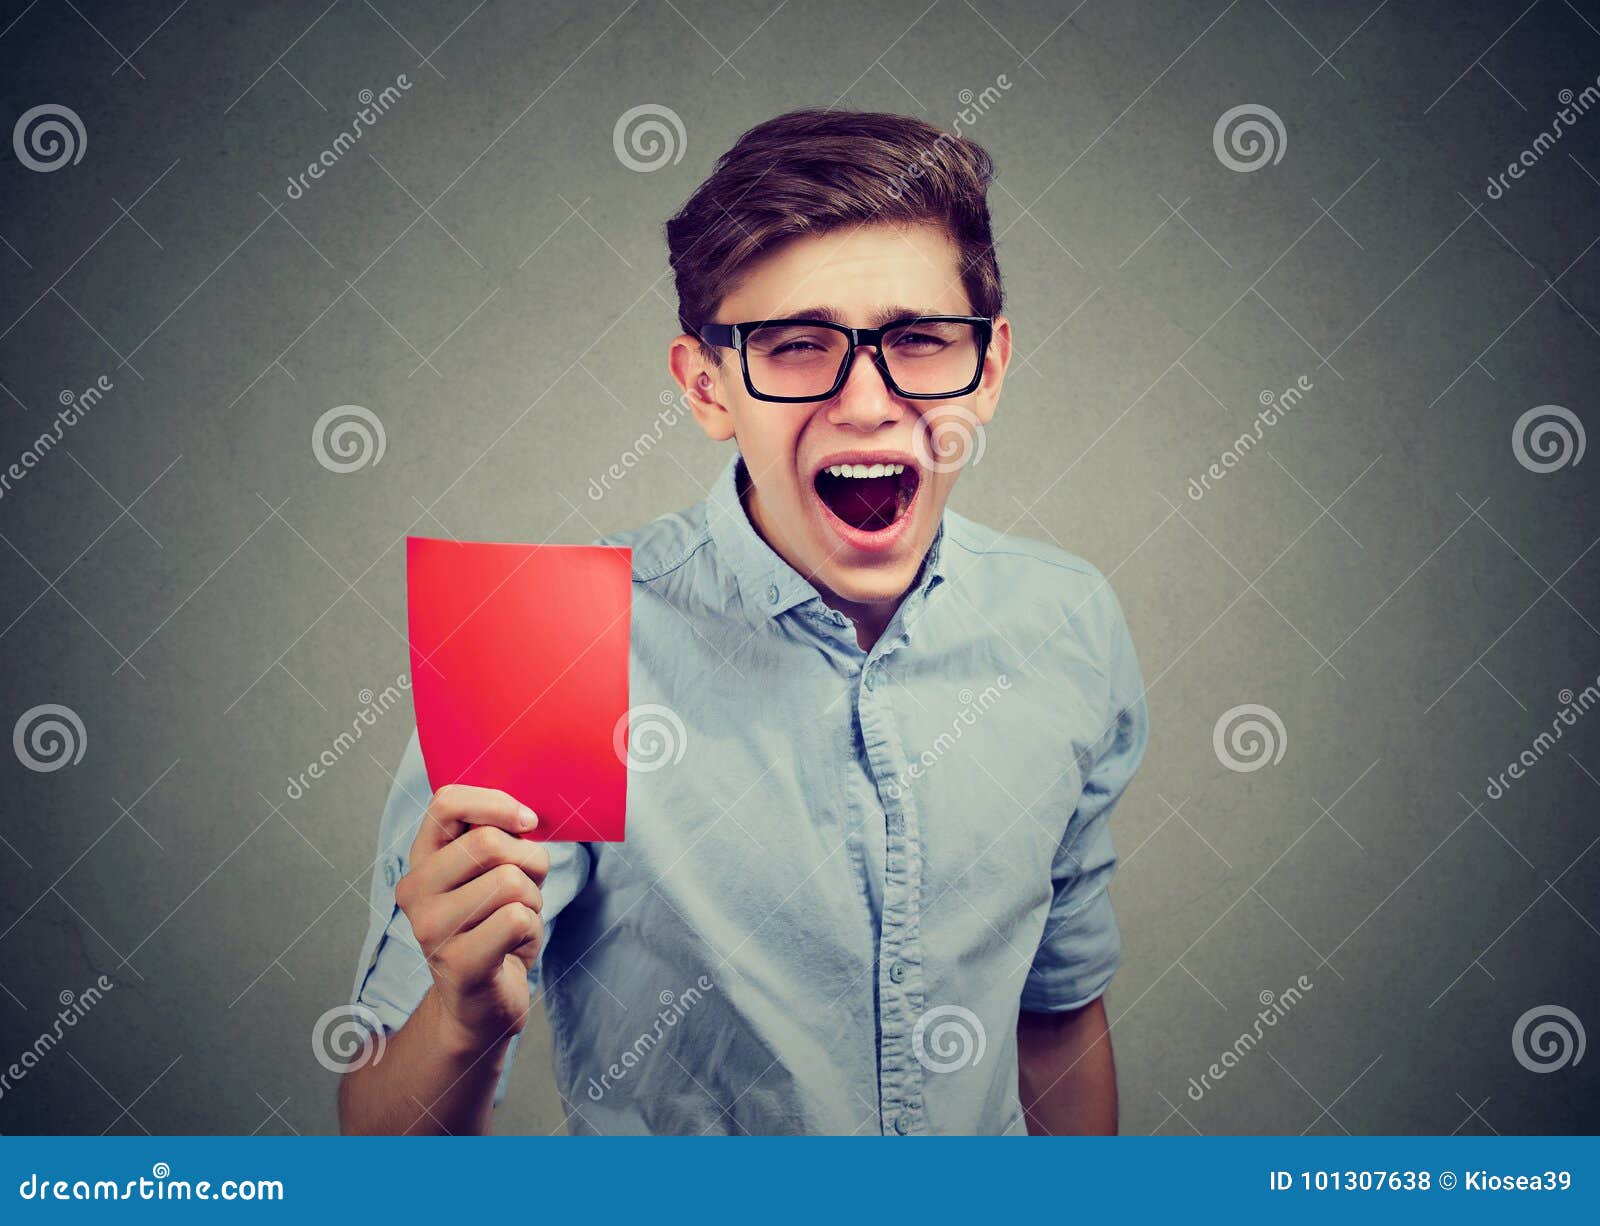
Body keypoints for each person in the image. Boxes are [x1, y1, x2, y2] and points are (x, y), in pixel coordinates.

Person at [338, 108, 1149, 1136]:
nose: (866, 402)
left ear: (985, 369)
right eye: (798, 345)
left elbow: (1057, 1017)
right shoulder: (550, 645)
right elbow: (375, 1140)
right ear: (706, 384)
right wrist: (459, 1021)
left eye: (917, 339)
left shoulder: (1064, 619)